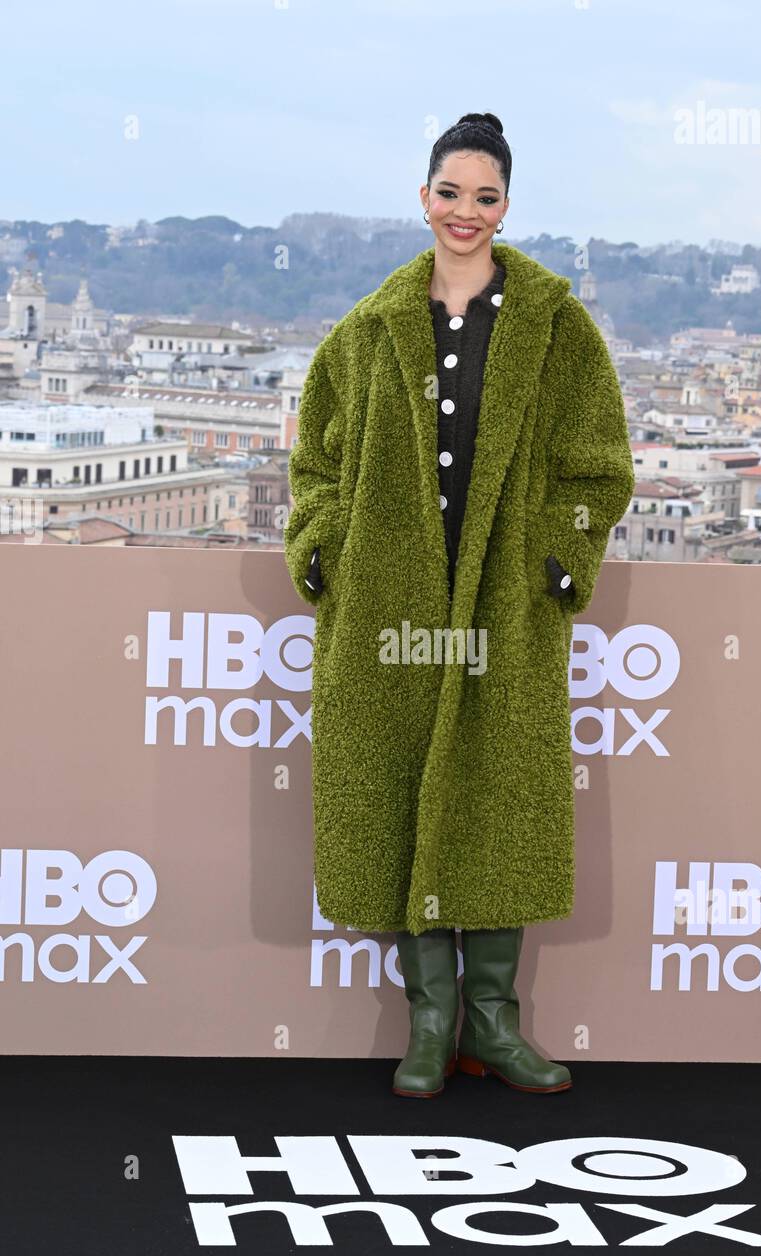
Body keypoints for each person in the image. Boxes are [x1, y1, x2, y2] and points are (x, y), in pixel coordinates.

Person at [284, 112, 634, 1099]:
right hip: (386, 615)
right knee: (402, 797)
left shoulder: (557, 331)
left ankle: (492, 1018)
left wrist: (559, 560)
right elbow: (313, 465)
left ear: (506, 204)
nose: (465, 212)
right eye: (450, 192)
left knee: (500, 803)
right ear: (423, 196)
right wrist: (324, 551)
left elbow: (597, 466)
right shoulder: (362, 335)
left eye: (484, 196)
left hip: (503, 616)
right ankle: (429, 1021)